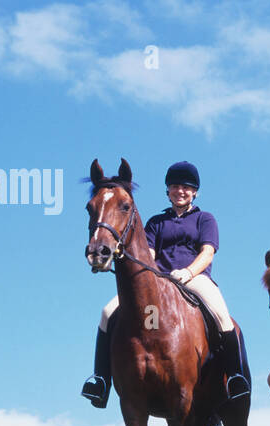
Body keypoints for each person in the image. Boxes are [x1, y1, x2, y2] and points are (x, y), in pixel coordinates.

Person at [80, 160, 250, 407]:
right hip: (160, 282)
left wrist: (189, 273)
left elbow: (208, 253)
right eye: (175, 186)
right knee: (107, 312)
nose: (180, 191)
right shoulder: (156, 223)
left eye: (186, 187)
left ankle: (234, 377)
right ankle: (101, 381)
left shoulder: (205, 219)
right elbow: (147, 255)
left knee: (223, 317)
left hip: (195, 279)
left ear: (194, 192)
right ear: (167, 190)